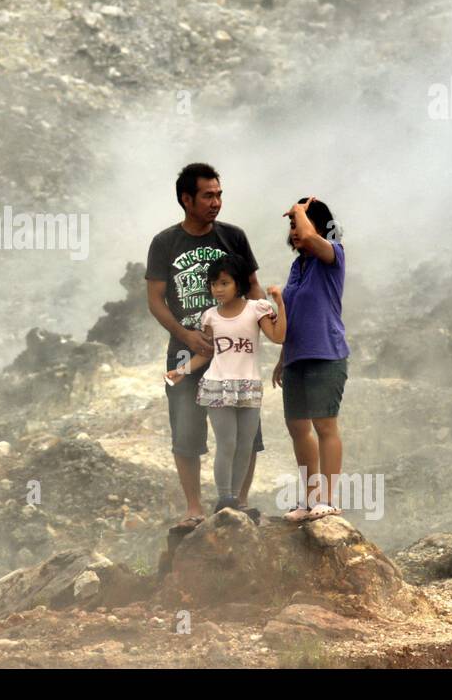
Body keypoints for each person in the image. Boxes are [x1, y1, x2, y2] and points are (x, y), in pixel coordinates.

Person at [147, 163, 265, 531]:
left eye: (219, 194)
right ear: (187, 199)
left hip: (235, 353)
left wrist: (262, 325)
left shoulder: (234, 237)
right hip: (186, 350)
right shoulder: (165, 243)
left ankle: (239, 503)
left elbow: (254, 288)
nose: (216, 202)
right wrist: (185, 335)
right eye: (208, 195)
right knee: (186, 429)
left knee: (247, 430)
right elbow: (155, 299)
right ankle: (195, 508)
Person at [165, 254, 285, 515]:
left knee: (246, 444)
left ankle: (238, 502)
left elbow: (278, 337)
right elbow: (206, 352)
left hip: (249, 387)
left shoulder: (257, 309)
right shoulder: (210, 316)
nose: (216, 289)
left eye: (223, 283)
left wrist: (280, 303)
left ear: (238, 284)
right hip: (217, 386)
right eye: (213, 284)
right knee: (227, 443)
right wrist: (182, 370)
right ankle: (224, 499)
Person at [271, 197, 349, 521]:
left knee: (324, 425)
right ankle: (309, 499)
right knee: (298, 428)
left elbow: (315, 239)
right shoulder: (297, 266)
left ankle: (327, 500)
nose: (295, 230)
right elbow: (293, 314)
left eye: (300, 223)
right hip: (296, 357)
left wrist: (301, 212)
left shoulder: (332, 256)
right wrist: (282, 357)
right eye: (291, 225)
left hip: (325, 354)